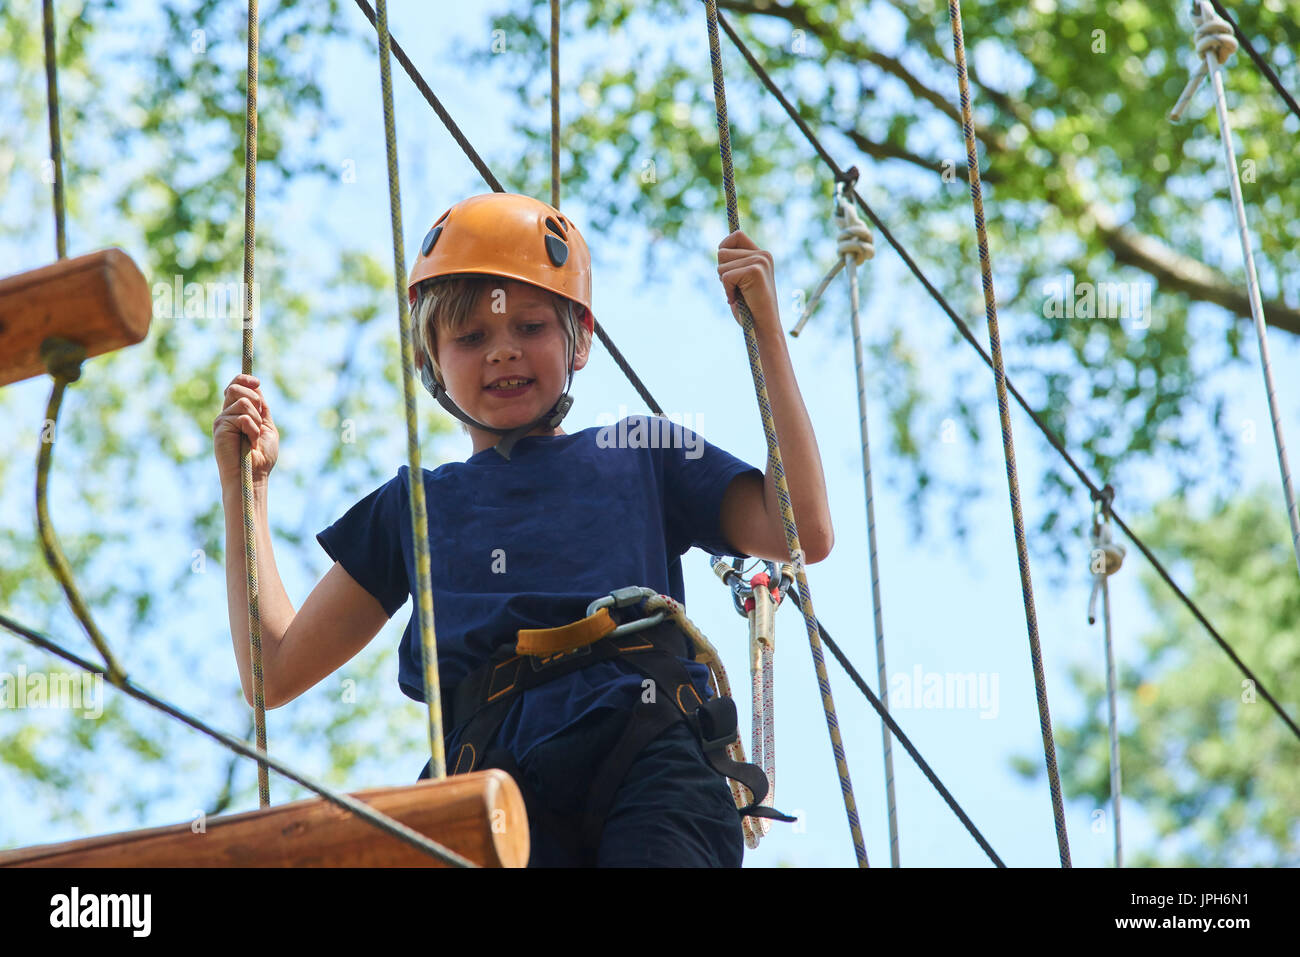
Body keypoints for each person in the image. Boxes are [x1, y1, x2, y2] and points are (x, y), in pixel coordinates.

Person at [213, 192, 834, 867]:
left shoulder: (642, 453)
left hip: (650, 750)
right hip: (491, 780)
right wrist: (246, 490)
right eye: (471, 337)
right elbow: (272, 671)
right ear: (431, 360)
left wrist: (766, 333)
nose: (503, 352)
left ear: (581, 337)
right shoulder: (414, 508)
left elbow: (801, 529)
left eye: (531, 326)